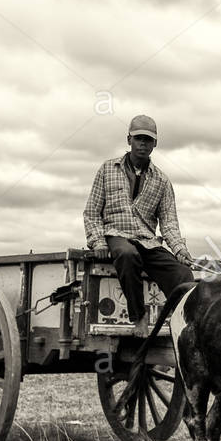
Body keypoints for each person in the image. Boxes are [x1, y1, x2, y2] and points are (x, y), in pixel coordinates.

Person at [83, 114, 195, 335]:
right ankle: (139, 317)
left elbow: (169, 222)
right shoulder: (107, 170)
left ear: (155, 143)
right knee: (127, 254)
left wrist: (180, 249)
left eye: (148, 139)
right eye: (138, 138)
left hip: (147, 241)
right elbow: (92, 212)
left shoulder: (161, 180)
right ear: (129, 140)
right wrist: (98, 242)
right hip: (116, 235)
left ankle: (185, 323)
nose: (142, 144)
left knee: (183, 274)